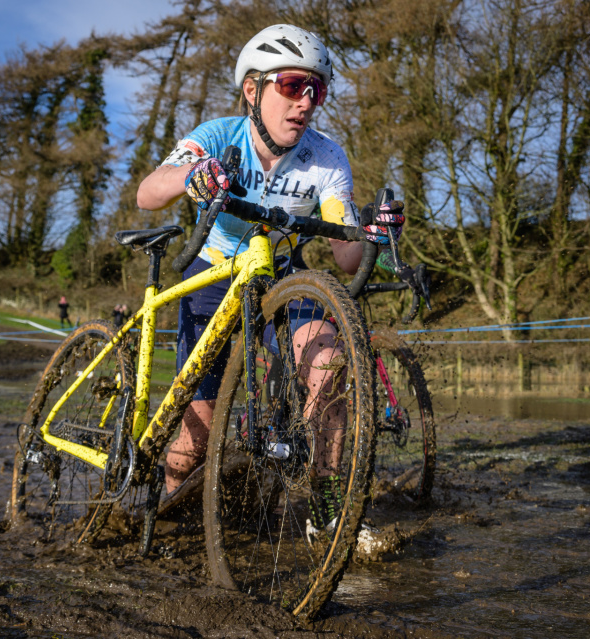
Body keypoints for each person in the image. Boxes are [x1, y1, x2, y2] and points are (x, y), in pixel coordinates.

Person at [136, 24, 404, 509]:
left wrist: (377, 238)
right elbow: (148, 192)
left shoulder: (326, 158)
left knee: (328, 363)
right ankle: (171, 507)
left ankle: (324, 502)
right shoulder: (217, 135)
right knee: (191, 444)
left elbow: (346, 258)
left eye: (316, 90)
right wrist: (191, 175)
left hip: (279, 273)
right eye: (291, 86)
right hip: (212, 273)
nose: (305, 101)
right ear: (252, 89)